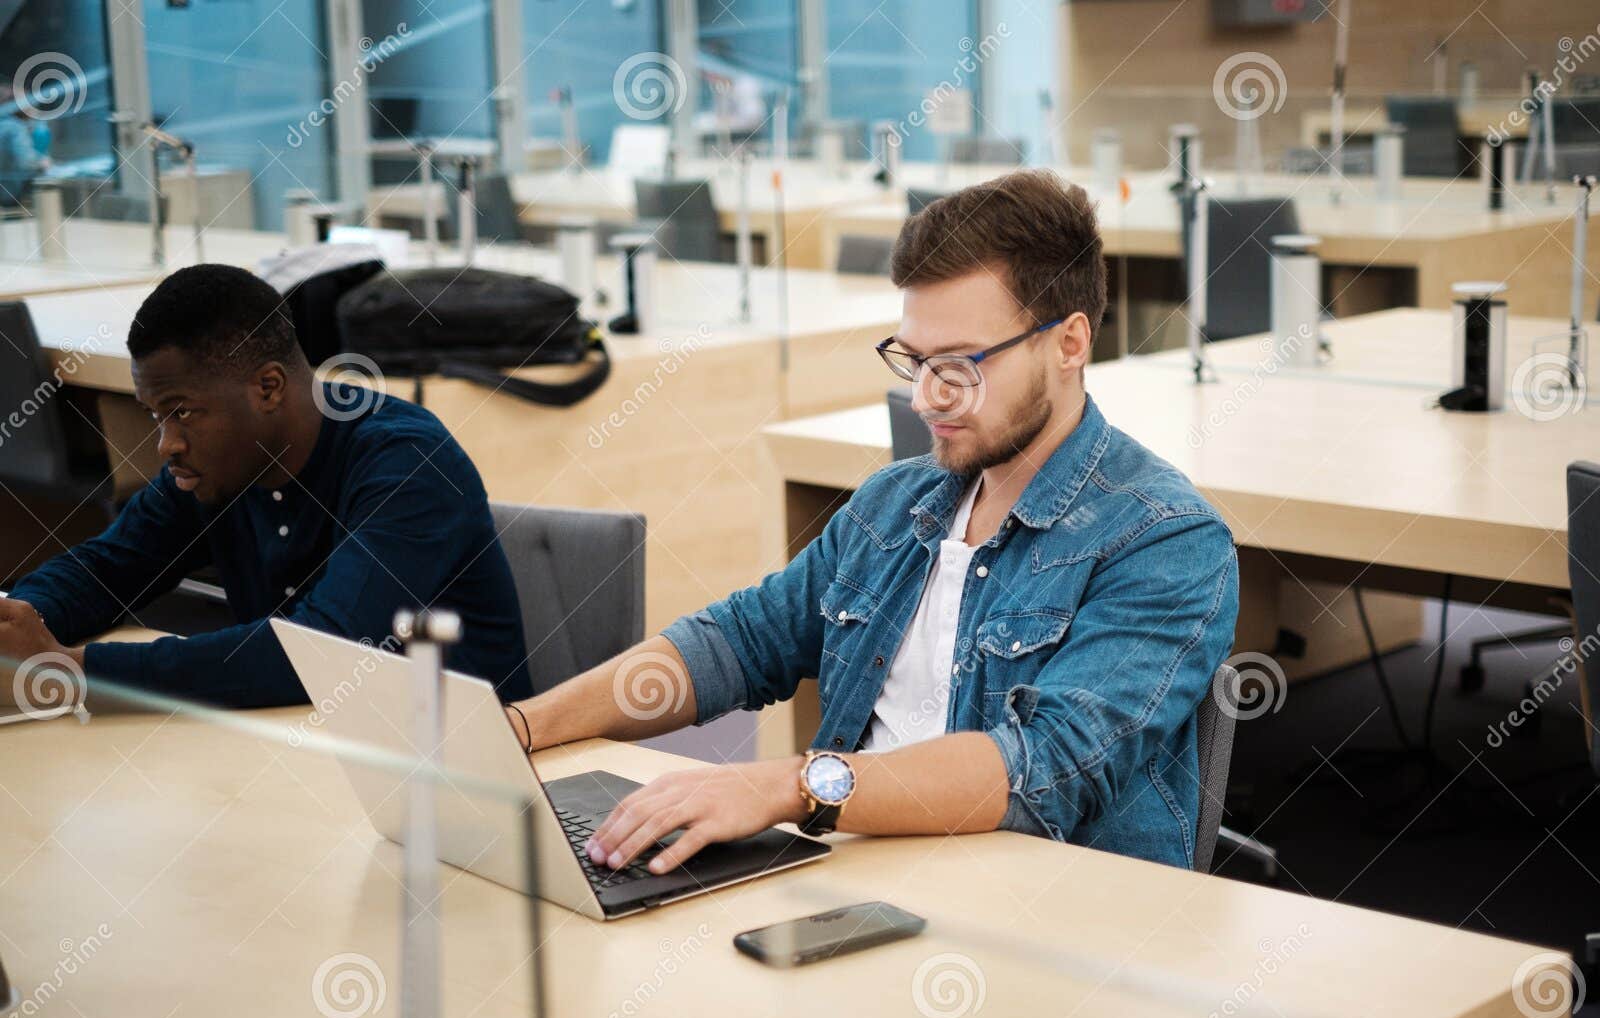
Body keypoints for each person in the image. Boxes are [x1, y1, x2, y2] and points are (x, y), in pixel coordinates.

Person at [504, 169, 1238, 871]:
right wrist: (526, 727)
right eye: (913, 360)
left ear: (1070, 343)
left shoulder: (1166, 539)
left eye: (959, 364)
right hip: (856, 872)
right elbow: (739, 639)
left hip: (1040, 928)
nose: (924, 398)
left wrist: (794, 786)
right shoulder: (896, 503)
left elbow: (1043, 767)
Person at [0, 264, 532, 708]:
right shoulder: (221, 468)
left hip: (452, 775)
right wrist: (21, 622)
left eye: (182, 411)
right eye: (157, 415)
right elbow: (105, 568)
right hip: (299, 747)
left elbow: (322, 650)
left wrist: (74, 670)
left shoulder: (408, 463)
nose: (166, 444)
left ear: (268, 387)